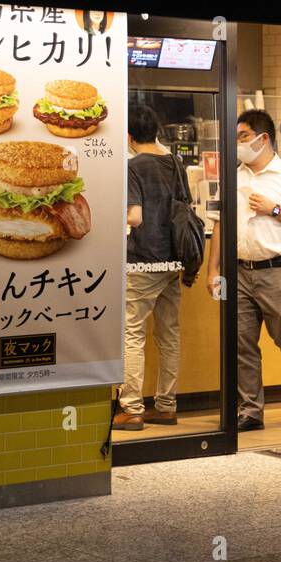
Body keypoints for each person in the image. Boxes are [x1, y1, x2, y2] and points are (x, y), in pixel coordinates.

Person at [204, 109, 281, 430]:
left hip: (278, 271)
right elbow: (219, 225)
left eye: (242, 136)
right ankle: (251, 411)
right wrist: (212, 269)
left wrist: (274, 209)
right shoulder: (232, 176)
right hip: (238, 272)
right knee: (241, 342)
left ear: (263, 138)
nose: (238, 144)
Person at [116, 104, 189, 431]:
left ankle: (131, 409)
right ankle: (166, 405)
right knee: (168, 335)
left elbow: (135, 217)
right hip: (172, 261)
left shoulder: (134, 166)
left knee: (132, 334)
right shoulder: (175, 162)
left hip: (142, 261)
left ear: (129, 136)